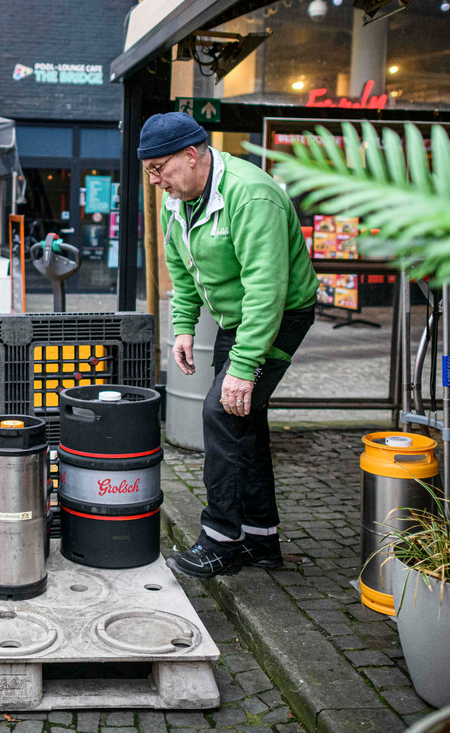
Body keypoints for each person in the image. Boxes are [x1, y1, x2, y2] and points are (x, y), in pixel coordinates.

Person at [140, 112, 318, 578]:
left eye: (161, 168)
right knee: (245, 419)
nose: (157, 181)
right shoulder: (176, 199)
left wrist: (243, 366)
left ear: (192, 155)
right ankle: (261, 539)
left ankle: (222, 540)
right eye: (150, 172)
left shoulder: (251, 194)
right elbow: (180, 268)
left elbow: (267, 288)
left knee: (222, 412)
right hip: (236, 319)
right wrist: (182, 327)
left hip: (280, 315)